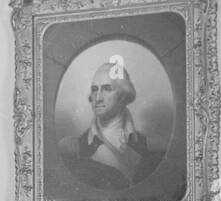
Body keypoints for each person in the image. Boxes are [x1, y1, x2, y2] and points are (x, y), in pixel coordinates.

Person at [57, 61, 163, 191]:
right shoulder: (72, 150)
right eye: (95, 89)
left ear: (123, 96)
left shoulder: (153, 150)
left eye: (107, 89)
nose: (98, 98)